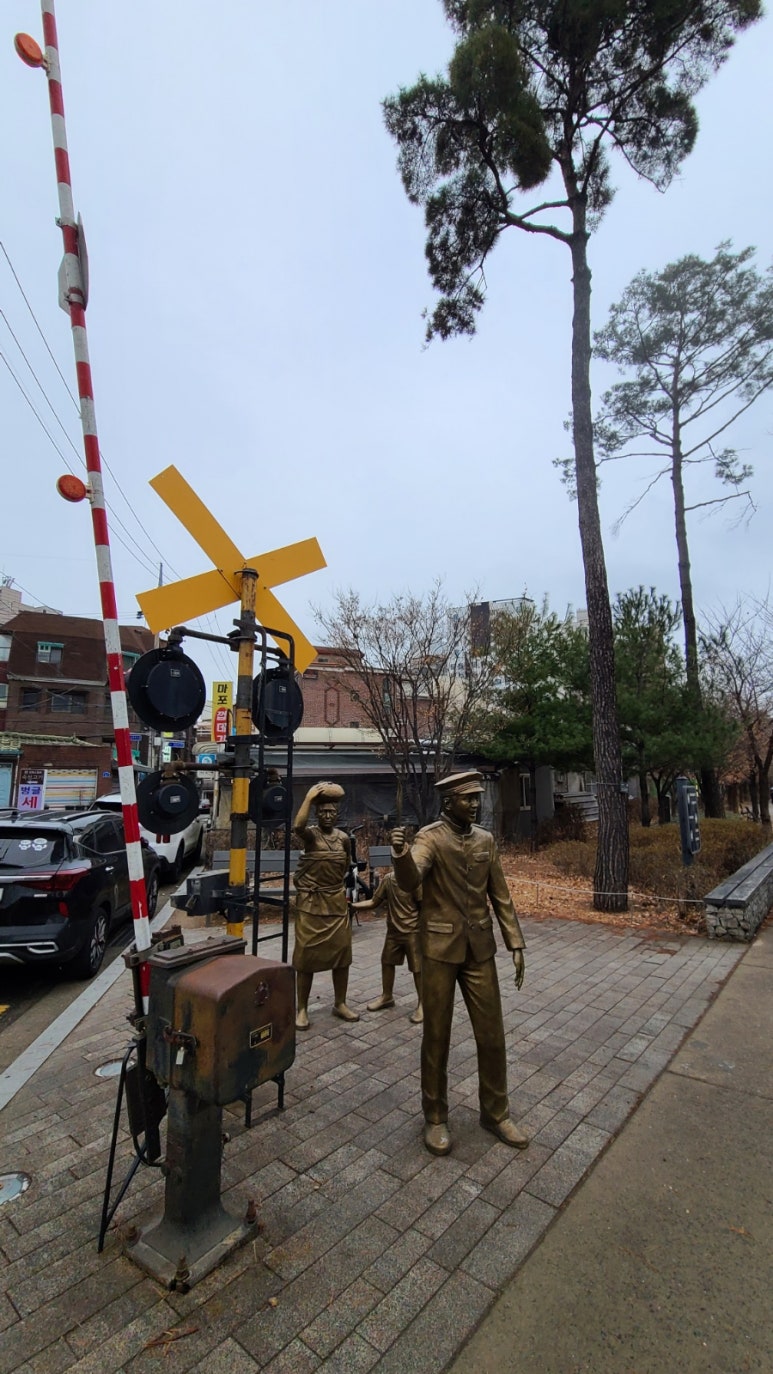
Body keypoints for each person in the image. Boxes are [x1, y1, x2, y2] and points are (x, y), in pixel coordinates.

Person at [391, 770, 528, 1157]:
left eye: (477, 797)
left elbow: (500, 894)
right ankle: (434, 1117)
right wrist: (400, 854)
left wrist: (514, 942)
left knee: (492, 1034)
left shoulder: (486, 840)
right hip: (437, 948)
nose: (475, 804)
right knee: (436, 1036)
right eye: (467, 798)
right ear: (448, 802)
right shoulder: (429, 838)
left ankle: (495, 1112)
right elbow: (410, 880)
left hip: (479, 949)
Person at [291, 780, 359, 1030]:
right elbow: (298, 826)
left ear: (337, 814)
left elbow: (345, 867)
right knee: (306, 956)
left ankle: (340, 1003)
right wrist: (309, 798)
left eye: (332, 812)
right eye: (323, 812)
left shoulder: (343, 839)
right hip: (311, 904)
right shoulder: (311, 836)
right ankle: (302, 1008)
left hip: (336, 903)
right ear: (317, 814)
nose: (328, 816)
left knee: (342, 955)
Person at [353, 871, 423, 1024]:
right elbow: (373, 902)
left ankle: (422, 1004)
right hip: (393, 931)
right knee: (387, 962)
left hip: (412, 932)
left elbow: (423, 905)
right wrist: (353, 906)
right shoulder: (388, 880)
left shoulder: (415, 881)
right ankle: (387, 996)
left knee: (418, 968)